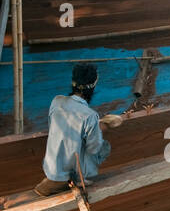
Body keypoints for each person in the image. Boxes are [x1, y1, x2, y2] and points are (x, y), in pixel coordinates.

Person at [34, 62, 123, 196]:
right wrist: (101, 127)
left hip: (51, 168)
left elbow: (64, 125)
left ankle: (56, 180)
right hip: (70, 173)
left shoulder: (56, 101)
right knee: (104, 147)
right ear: (93, 86)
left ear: (73, 82)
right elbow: (94, 148)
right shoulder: (90, 116)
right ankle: (76, 179)